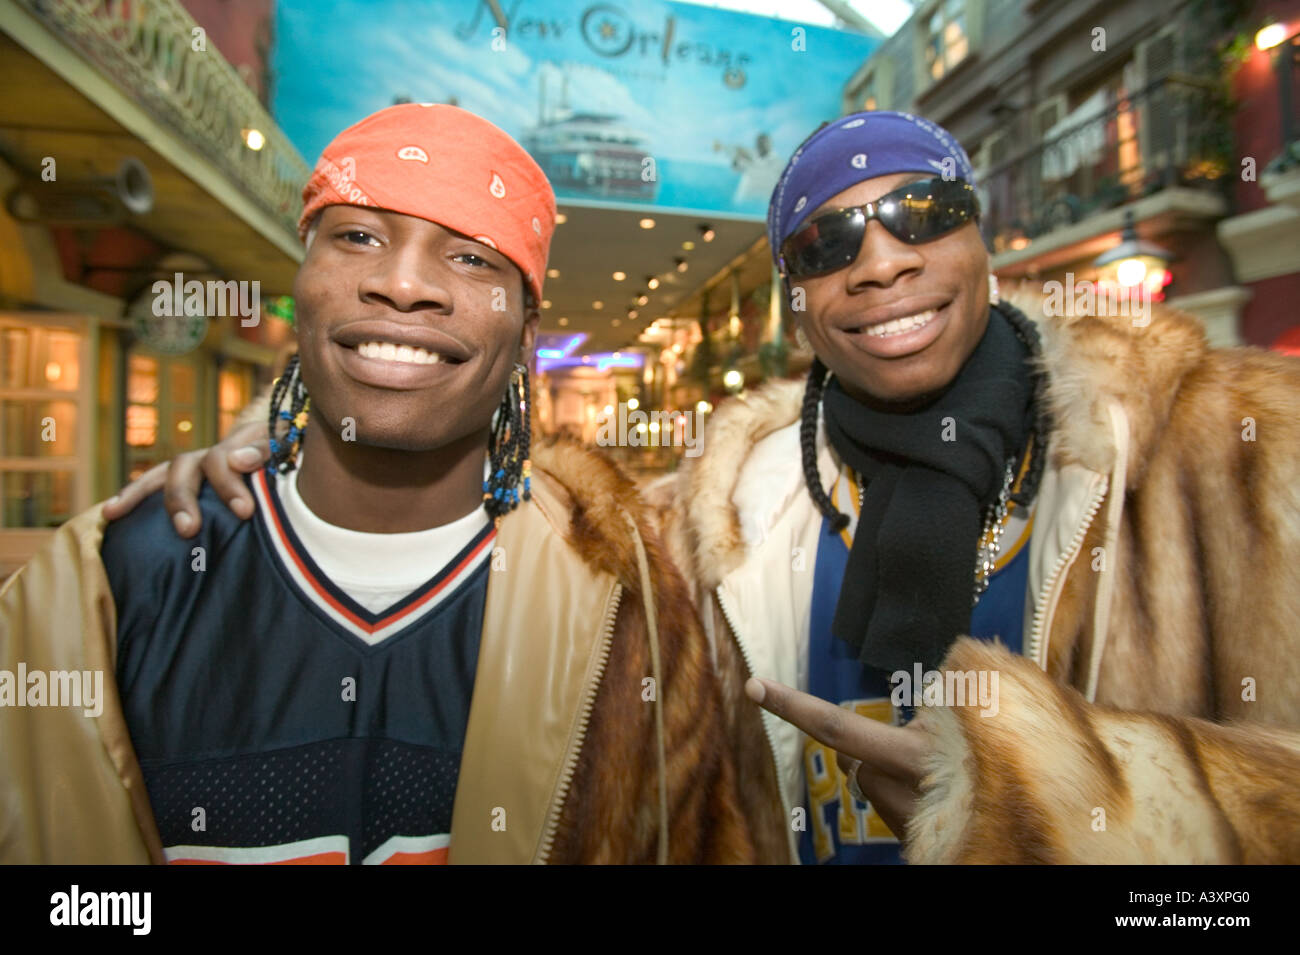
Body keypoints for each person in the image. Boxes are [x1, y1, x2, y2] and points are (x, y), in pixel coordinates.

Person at [0, 104, 783, 864]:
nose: (405, 286)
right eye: (359, 236)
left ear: (523, 340)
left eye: (472, 256)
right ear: (300, 286)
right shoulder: (113, 581)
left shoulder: (623, 600)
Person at [654, 110, 1300, 863]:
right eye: (824, 244)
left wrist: (1036, 803)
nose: (882, 263)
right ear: (797, 307)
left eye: (922, 214)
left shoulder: (1244, 455)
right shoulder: (726, 520)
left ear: (983, 244)